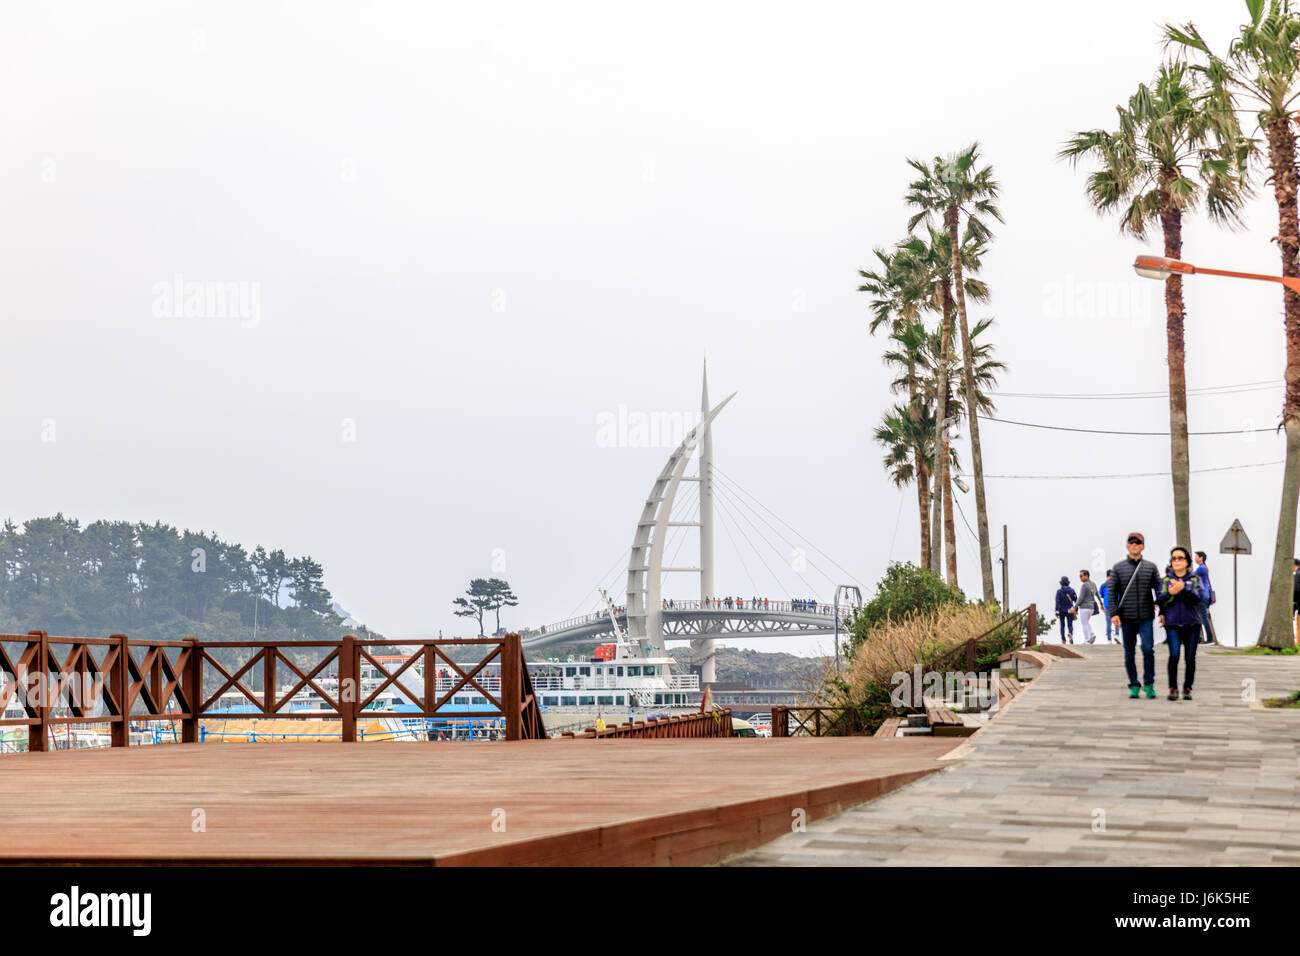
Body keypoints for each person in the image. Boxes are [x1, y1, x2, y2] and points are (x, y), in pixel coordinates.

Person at [1108, 532, 1163, 699]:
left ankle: (1149, 683)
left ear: (1142, 547)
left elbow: (1159, 589)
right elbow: (1112, 592)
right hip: (1126, 617)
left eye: (1138, 543)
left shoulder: (1150, 567)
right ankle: (1134, 684)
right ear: (1127, 546)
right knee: (1129, 653)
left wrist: (1162, 609)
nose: (1134, 545)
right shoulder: (1118, 568)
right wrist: (1113, 613)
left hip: (1146, 616)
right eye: (1131, 543)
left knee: (1148, 649)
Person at [1159, 547, 1206, 700]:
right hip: (1172, 624)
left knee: (1190, 658)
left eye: (1180, 558)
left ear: (1187, 562)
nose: (1177, 561)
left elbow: (1199, 598)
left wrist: (1183, 589)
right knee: (1174, 655)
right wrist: (1170, 593)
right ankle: (1173, 688)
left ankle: (1187, 688)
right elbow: (1159, 599)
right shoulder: (1166, 580)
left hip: (1192, 624)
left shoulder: (1195, 579)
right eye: (1174, 558)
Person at [1193, 551, 1215, 644]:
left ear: (1201, 558)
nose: (1195, 558)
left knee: (1203, 618)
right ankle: (1198, 638)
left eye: (1196, 557)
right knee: (1198, 617)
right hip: (1204, 596)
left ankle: (1209, 639)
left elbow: (1191, 577)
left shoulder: (1201, 568)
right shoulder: (1204, 567)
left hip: (1202, 597)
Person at [1076, 569, 1102, 644]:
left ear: (1086, 576)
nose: (1080, 578)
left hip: (1084, 607)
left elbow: (1080, 598)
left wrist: (1075, 607)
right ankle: (1092, 634)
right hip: (1091, 608)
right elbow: (1098, 595)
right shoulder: (1093, 584)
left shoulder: (1084, 585)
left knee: (1084, 624)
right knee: (1086, 622)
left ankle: (1086, 640)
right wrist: (1101, 604)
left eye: (1081, 576)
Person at [1054, 576, 1077, 643]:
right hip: (1070, 610)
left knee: (1062, 625)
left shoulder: (1059, 591)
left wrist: (1056, 610)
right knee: (1070, 624)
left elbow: (1057, 601)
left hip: (1061, 610)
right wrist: (1076, 609)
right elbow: (1076, 600)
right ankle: (1070, 633)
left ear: (1061, 583)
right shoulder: (1072, 590)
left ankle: (1063, 639)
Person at [1099, 571, 1116, 642]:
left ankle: (1109, 639)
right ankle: (1117, 635)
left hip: (1107, 605)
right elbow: (1119, 595)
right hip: (1115, 605)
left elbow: (1100, 594)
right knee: (1116, 621)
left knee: (1108, 623)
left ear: (1106, 576)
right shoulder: (1116, 584)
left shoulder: (1103, 585)